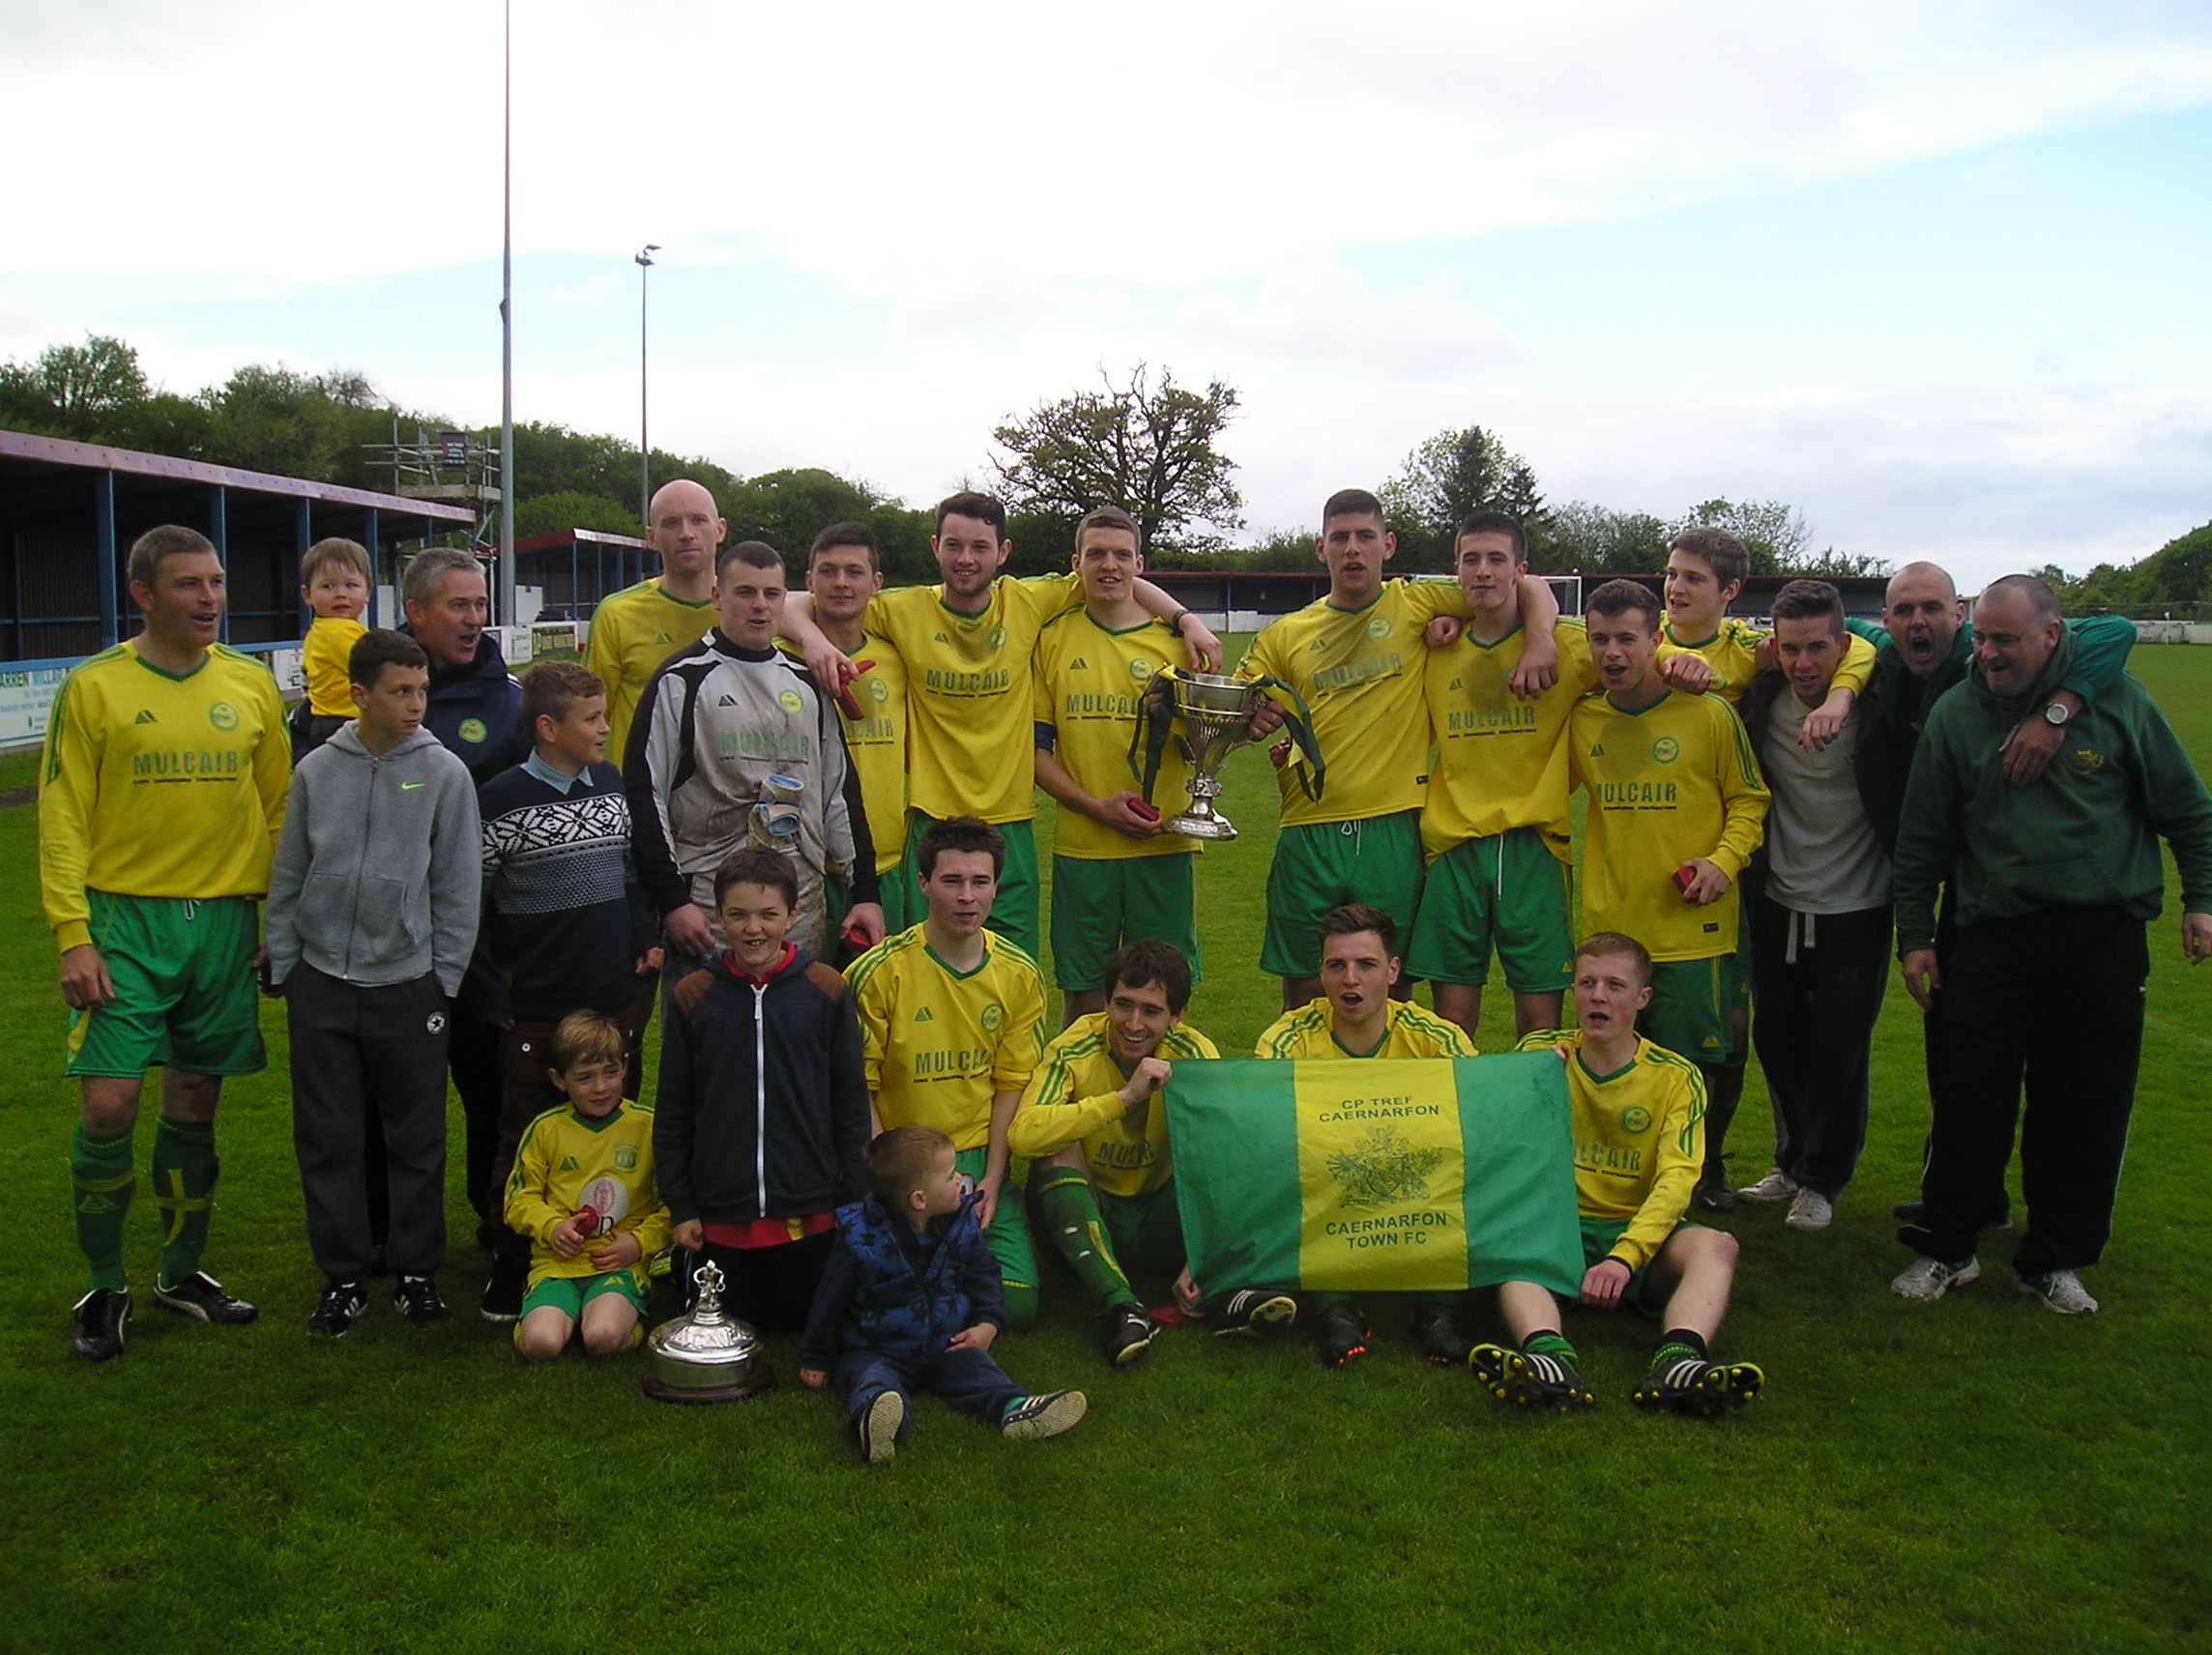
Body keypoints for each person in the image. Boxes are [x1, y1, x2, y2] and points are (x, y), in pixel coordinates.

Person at [1890, 574, 2212, 1315]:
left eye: (2008, 638)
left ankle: (2055, 1260)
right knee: (1970, 1098)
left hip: (2101, 936)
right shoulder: (1955, 714)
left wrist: (2201, 901)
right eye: (1985, 636)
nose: (1991, 652)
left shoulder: (2119, 704)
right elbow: (1923, 838)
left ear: (2052, 636)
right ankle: (1949, 1249)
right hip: (1989, 934)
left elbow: (2189, 810)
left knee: (2085, 1104)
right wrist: (1915, 936)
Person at [41, 524, 290, 1360]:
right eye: (189, 585)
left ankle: (181, 1272)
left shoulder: (252, 686)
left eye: (216, 581)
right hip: (125, 924)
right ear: (144, 595)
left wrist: (273, 920)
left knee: (194, 1104)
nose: (211, 598)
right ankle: (103, 1283)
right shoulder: (95, 687)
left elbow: (283, 810)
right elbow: (64, 815)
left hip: (223, 923)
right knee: (109, 1104)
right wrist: (73, 936)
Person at [780, 490, 1219, 961]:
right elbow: (795, 600)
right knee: (924, 974)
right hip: (933, 821)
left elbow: (1122, 578)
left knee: (1015, 973)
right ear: (935, 547)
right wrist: (812, 641)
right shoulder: (902, 609)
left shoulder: (1028, 600)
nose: (965, 559)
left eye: (980, 547)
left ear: (1003, 552)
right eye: (954, 545)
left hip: (1011, 822)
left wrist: (1185, 619)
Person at [1845, 561, 2139, 1231]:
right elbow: (1838, 633)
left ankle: (2019, 1215)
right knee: (1959, 1063)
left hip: (2006, 893)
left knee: (2037, 1074)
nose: (1918, 623)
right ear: (1888, 624)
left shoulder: (1985, 674)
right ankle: (1968, 1199)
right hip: (1959, 894)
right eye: (1902, 612)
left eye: (1934, 609)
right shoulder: (1891, 659)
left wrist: (2058, 709)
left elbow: (2114, 629)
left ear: (1961, 616)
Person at [1237, 488, 1560, 1010]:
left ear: (1387, 545)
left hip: (1394, 824)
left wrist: (1541, 636)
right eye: (1340, 538)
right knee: (1302, 984)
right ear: (1321, 548)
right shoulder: (1285, 635)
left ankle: (1394, 1091)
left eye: (1365, 536)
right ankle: (1307, 1087)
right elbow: (1235, 709)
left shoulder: (1417, 603)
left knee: (1392, 984)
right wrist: (1249, 721)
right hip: (1307, 827)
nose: (1353, 549)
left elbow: (1528, 585)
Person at [266, 629, 481, 1336]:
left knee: (415, 1136)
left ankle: (417, 1272)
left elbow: (456, 887)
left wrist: (441, 979)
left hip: (409, 984)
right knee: (327, 1135)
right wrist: (286, 958)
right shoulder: (316, 772)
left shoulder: (445, 773)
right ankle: (344, 1275)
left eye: (422, 690)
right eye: (400, 691)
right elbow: (290, 870)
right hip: (322, 980)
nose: (416, 703)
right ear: (359, 695)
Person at [1469, 932, 1764, 1416]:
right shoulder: (1538, 1056)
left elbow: (1677, 1182)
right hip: (1555, 1232)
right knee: (1509, 1250)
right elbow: (1484, 1131)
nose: (1598, 996)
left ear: (1642, 998)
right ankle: (1547, 1360)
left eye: (1614, 985)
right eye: (1586, 983)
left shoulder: (1675, 1076)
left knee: (1718, 1246)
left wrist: (1624, 1258)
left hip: (1636, 1234)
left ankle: (1680, 1361)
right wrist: (1529, 1085)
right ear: (1573, 992)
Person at [1568, 579, 1768, 1212]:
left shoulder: (1710, 713)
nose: (1612, 652)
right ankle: (1617, 1183)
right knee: (1610, 1064)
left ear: (1657, 639)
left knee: (1693, 1066)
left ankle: (1701, 1172)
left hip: (1692, 928)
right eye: (1600, 639)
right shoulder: (1585, 719)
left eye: (1627, 638)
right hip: (1611, 933)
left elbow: (1749, 801)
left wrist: (1723, 862)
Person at [470, 659, 661, 1321]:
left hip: (610, 994)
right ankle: (511, 1257)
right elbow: (474, 905)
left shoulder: (609, 785)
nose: (606, 729)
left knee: (611, 1125)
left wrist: (644, 941)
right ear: (548, 727)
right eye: (593, 719)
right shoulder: (497, 799)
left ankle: (614, 1251)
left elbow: (632, 873)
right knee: (525, 1135)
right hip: (538, 1007)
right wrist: (496, 992)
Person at [626, 537, 882, 977]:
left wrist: (866, 894)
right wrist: (672, 901)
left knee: (794, 1035)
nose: (760, 606)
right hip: (709, 903)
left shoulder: (807, 684)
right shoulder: (680, 681)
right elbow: (643, 792)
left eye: (771, 594)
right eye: (745, 592)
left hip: (797, 899)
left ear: (786, 600)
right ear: (717, 596)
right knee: (709, 1035)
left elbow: (839, 793)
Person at [1732, 581, 1894, 1230]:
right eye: (1791, 648)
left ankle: (1824, 1179)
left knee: (1839, 1046)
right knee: (1779, 1038)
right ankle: (1791, 1161)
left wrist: (1848, 689)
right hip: (1776, 896)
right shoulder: (1762, 692)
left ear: (1844, 644)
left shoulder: (1878, 698)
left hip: (1858, 900)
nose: (1804, 664)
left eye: (1819, 649)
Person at [845, 818, 1049, 1329]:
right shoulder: (878, 973)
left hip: (976, 1161)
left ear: (997, 887)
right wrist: (890, 1180)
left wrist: (995, 1181)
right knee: (876, 1287)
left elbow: (1012, 1085)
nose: (967, 897)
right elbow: (856, 1089)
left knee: (1018, 1304)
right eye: (951, 881)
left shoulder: (1020, 975)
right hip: (898, 1157)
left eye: (980, 882)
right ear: (922, 884)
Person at [1254, 904, 1478, 1368]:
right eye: (1336, 966)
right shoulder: (1287, 1038)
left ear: (1393, 971)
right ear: (1320, 971)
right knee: (1296, 1163)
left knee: (1462, 1166)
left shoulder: (1436, 1038)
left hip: (1413, 1181)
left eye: (1366, 965)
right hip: (1330, 1180)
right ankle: (1335, 1306)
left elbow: (1482, 1111)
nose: (1349, 980)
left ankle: (1437, 1308)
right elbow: (1265, 1129)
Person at [656, 847, 870, 1331]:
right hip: (721, 1213)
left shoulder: (827, 989)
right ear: (718, 918)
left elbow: (850, 1106)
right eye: (739, 915)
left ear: (793, 916)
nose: (754, 929)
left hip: (809, 1212)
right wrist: (682, 1206)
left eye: (768, 915)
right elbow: (673, 1110)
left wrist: (852, 1199)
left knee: (799, 1322)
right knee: (732, 1321)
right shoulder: (693, 996)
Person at [1410, 510, 1595, 1042]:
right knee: (1451, 1026)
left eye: (1497, 559)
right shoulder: (1435, 649)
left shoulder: (1567, 645)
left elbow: (1642, 653)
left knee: (1539, 1027)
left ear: (1521, 570)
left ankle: (1532, 1126)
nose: (1483, 571)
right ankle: (1458, 1127)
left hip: (1534, 848)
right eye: (1471, 559)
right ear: (1456, 571)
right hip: (1453, 849)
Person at [798, 1126, 1088, 1466]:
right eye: (950, 1177)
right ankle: (877, 1418)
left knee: (978, 1371)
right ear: (918, 1199)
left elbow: (985, 1276)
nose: (959, 1181)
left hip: (946, 1344)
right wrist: (816, 1358)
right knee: (868, 1377)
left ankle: (1014, 1409)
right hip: (876, 1347)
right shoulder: (860, 1238)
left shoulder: (960, 1223)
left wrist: (988, 1323)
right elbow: (830, 1299)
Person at [1006, 939, 1219, 1367]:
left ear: (1178, 1016)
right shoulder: (1073, 1047)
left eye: (1152, 1010)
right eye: (1123, 1005)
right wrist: (1121, 1099)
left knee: (1216, 1145)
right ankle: (1121, 1306)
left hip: (1162, 1222)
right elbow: (1023, 1136)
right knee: (1053, 1143)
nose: (1133, 1023)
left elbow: (1224, 1159)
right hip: (1088, 1220)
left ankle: (1223, 1280)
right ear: (1105, 1001)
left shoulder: (1194, 1054)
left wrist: (1204, 1256)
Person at [1033, 506, 1204, 1025]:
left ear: (1139, 563)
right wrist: (1096, 808)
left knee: (1167, 1000)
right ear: (1076, 564)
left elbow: (1205, 751)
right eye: (1097, 554)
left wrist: (1177, 721)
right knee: (1084, 999)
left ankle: (1164, 1105)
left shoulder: (1176, 643)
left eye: (1122, 555)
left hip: (1164, 841)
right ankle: (1079, 1105)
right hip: (1084, 848)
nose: (1110, 565)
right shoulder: (1051, 638)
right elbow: (1036, 753)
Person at [402, 546, 528, 1254]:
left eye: (480, 604)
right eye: (459, 605)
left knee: (490, 1087)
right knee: (399, 1098)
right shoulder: (375, 692)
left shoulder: (506, 700)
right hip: (394, 932)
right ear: (416, 613)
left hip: (484, 936)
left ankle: (494, 1216)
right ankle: (396, 1236)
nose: (475, 618)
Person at [505, 1010, 670, 1361]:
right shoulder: (546, 1129)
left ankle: (616, 1319)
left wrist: (639, 1244)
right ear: (558, 1079)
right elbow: (519, 1200)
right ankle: (549, 1315)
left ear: (625, 1067)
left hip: (618, 1265)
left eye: (610, 1073)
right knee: (541, 1346)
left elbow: (673, 1205)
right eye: (585, 1077)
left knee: (603, 1338)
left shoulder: (648, 1126)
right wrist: (552, 1228)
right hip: (556, 1267)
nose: (600, 1087)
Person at [802, 521, 911, 947]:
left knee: (884, 1002)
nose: (841, 583)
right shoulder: (783, 657)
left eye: (854, 572)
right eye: (828, 571)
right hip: (804, 866)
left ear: (876, 583)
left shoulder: (897, 659)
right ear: (809, 581)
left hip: (885, 865)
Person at [585, 478, 725, 762]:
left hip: (728, 798)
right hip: (641, 798)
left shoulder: (748, 611)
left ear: (720, 529)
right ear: (651, 537)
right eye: (671, 523)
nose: (686, 533)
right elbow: (587, 716)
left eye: (698, 520)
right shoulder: (617, 614)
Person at [290, 536, 371, 765]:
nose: (340, 594)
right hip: (343, 721)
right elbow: (376, 668)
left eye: (351, 585)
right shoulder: (336, 631)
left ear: (367, 592)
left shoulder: (320, 630)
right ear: (307, 595)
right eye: (328, 586)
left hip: (325, 721)